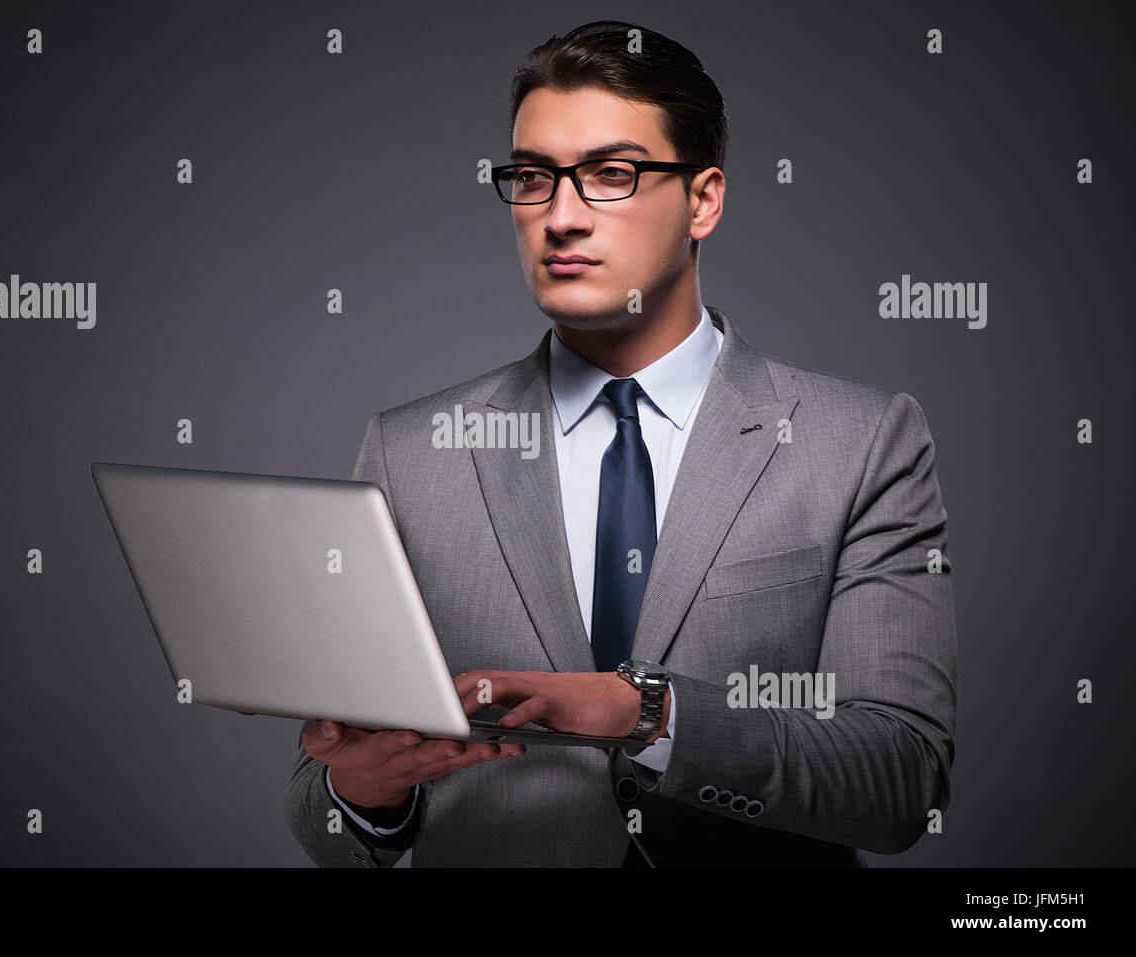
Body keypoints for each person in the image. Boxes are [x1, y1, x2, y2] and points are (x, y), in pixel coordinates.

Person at [283, 19, 956, 867]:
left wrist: (646, 712)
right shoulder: (410, 453)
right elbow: (318, 808)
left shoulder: (860, 443)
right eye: (533, 178)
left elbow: (900, 779)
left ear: (703, 199)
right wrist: (363, 793)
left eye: (611, 174)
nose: (560, 217)